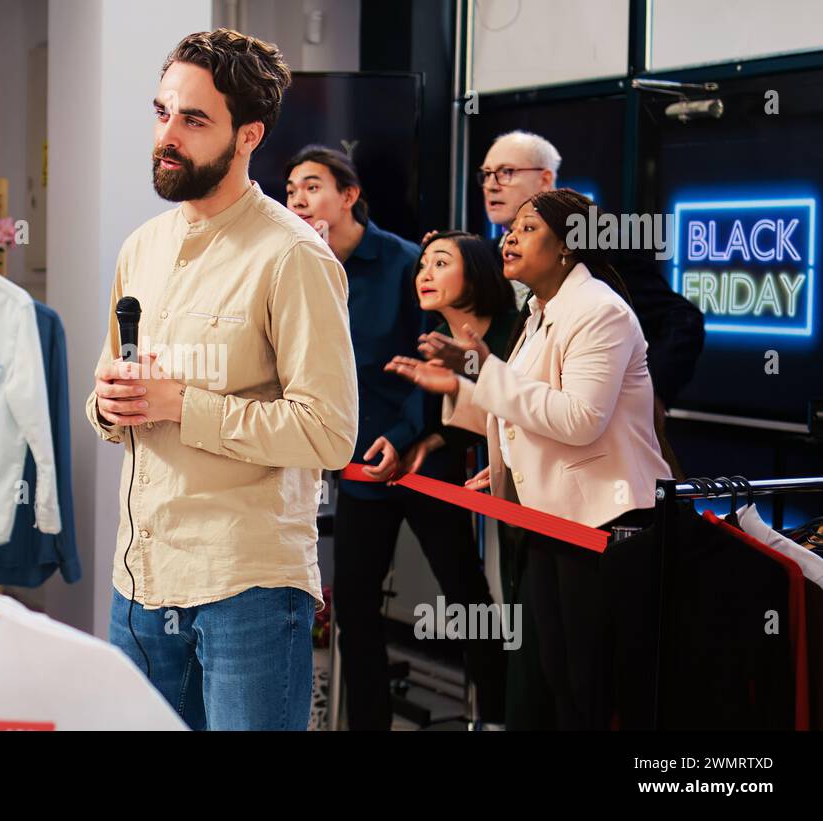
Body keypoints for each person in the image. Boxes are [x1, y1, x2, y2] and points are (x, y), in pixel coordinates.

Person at [85, 30, 358, 731]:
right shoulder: (141, 246)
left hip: (250, 587)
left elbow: (329, 432)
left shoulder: (293, 255)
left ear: (248, 135)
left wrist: (182, 404)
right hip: (139, 582)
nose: (167, 136)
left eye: (194, 120)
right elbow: (106, 394)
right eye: (162, 112)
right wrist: (109, 405)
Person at [388, 189, 672, 730]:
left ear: (569, 245)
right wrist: (472, 407)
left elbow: (579, 419)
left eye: (527, 228)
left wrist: (482, 370)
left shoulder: (598, 311)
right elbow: (525, 412)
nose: (509, 238)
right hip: (554, 521)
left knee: (591, 689)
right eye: (510, 228)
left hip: (609, 525)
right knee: (559, 680)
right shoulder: (541, 312)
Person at [283, 148, 504, 728]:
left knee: (466, 596)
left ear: (350, 195)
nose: (298, 200)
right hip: (357, 465)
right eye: (290, 191)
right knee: (353, 605)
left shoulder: (408, 263)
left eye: (312, 186)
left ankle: (501, 714)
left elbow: (433, 364)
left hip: (424, 456)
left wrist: (406, 440)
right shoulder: (302, 267)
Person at [474, 130, 703, 471]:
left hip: (594, 460)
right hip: (520, 452)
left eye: (506, 172)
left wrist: (651, 396)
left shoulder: (602, 247)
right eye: (486, 174)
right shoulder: (490, 257)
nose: (491, 185)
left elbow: (681, 320)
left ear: (545, 178)